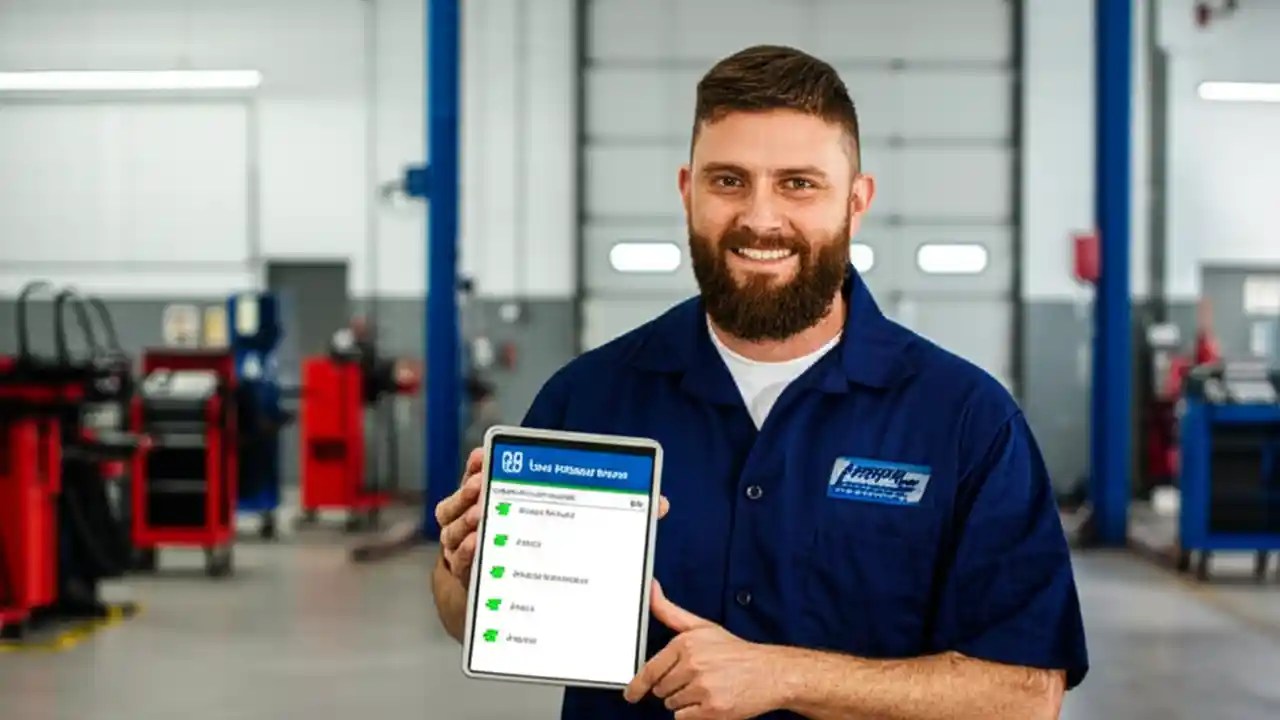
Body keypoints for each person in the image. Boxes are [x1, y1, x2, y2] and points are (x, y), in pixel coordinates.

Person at [432, 45, 1088, 719]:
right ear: (689, 192)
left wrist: (783, 676)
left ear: (856, 202)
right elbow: (470, 617)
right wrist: (466, 573)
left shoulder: (965, 422)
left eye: (799, 183)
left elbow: (1025, 693)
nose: (761, 218)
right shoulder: (589, 397)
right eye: (729, 181)